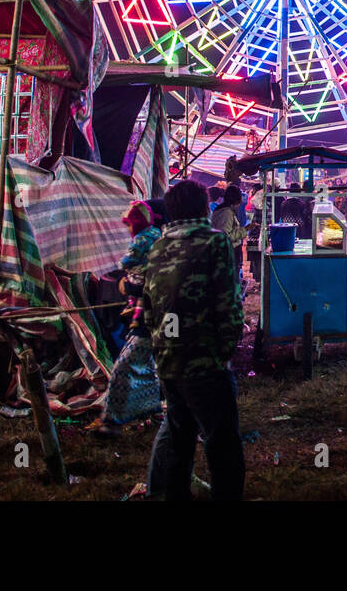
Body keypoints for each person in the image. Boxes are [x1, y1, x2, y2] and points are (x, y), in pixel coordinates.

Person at [141, 180, 245, 501]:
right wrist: (225, 352)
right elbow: (228, 304)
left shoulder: (157, 246)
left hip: (167, 361)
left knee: (179, 437)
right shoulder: (214, 243)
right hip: (204, 362)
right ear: (205, 208)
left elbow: (149, 307)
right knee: (222, 443)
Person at [95, 201, 164, 433]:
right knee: (147, 362)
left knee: (123, 366)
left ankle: (112, 421)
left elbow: (128, 263)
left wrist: (127, 282)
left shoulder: (143, 240)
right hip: (161, 314)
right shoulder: (159, 236)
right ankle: (154, 411)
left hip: (149, 312)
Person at [211, 184, 245, 273]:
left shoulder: (226, 210)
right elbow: (225, 237)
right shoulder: (226, 213)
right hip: (228, 253)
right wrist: (245, 230)